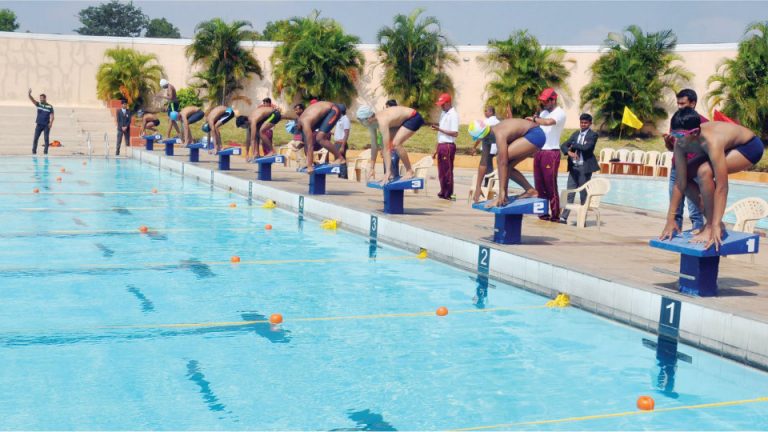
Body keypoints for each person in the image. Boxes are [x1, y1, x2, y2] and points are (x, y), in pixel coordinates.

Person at [660, 107, 764, 250]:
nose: (676, 139)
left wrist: (714, 225)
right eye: (674, 134)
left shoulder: (712, 141)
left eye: (680, 135)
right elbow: (680, 183)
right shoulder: (680, 142)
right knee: (684, 176)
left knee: (704, 171)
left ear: (694, 132)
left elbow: (722, 187)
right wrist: (670, 219)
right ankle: (712, 220)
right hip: (726, 147)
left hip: (749, 147)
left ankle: (711, 225)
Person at [662, 89, 706, 233]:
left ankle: (698, 234)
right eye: (678, 103)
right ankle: (673, 234)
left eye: (683, 103)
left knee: (695, 208)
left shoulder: (703, 123)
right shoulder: (677, 119)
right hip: (677, 167)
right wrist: (668, 142)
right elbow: (673, 148)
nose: (679, 106)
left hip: (694, 169)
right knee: (675, 206)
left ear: (693, 103)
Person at [357, 105, 426, 182]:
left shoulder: (382, 122)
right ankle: (391, 174)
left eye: (361, 120)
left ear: (369, 118)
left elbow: (387, 149)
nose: (360, 123)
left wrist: (387, 172)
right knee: (383, 145)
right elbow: (374, 146)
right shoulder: (371, 123)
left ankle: (410, 171)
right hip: (399, 121)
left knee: (396, 144)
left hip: (413, 117)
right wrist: (372, 168)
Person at [488, 117, 547, 208]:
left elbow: (502, 162)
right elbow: (486, 162)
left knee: (501, 158)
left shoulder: (499, 133)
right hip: (535, 135)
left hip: (534, 134)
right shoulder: (494, 131)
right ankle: (530, 190)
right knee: (508, 166)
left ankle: (503, 195)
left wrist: (501, 194)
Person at [528, 87, 567, 221]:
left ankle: (555, 215)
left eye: (546, 101)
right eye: (543, 101)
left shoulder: (559, 113)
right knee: (539, 185)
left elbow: (548, 122)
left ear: (553, 100)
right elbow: (538, 125)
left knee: (550, 184)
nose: (544, 103)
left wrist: (534, 119)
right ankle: (542, 213)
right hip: (539, 151)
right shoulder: (543, 112)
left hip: (551, 152)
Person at [559, 113, 599, 223]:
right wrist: (569, 152)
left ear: (590, 123)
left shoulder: (593, 135)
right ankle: (564, 217)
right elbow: (563, 145)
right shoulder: (576, 134)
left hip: (584, 168)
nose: (583, 124)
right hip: (573, 167)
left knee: (583, 194)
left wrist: (573, 145)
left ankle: (582, 219)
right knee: (569, 192)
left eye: (586, 123)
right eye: (581, 122)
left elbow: (587, 148)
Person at [297, 101, 346, 173]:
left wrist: (310, 166)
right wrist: (308, 164)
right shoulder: (303, 120)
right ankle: (339, 158)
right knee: (316, 138)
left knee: (320, 138)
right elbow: (306, 144)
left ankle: (340, 158)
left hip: (333, 110)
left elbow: (310, 146)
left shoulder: (305, 124)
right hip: (326, 112)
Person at [432, 93, 459, 200]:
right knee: (441, 171)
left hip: (448, 145)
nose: (441, 106)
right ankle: (443, 191)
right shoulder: (443, 113)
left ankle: (450, 194)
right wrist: (436, 149)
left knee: (448, 171)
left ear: (448, 103)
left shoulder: (453, 115)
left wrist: (439, 129)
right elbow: (440, 135)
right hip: (441, 145)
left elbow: (455, 133)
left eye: (443, 104)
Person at [470, 106, 501, 198]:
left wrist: (474, 147)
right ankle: (489, 183)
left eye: (486, 111)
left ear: (491, 112)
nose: (485, 113)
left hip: (489, 146)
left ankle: (489, 184)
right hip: (496, 147)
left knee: (487, 166)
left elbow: (480, 136)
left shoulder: (487, 122)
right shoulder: (498, 122)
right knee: (489, 165)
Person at [28, 88, 54, 155]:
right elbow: (32, 100)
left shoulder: (50, 106)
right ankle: (34, 152)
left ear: (45, 98)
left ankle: (45, 152)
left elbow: (52, 116)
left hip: (46, 125)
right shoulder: (38, 104)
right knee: (35, 138)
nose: (41, 99)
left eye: (42, 98)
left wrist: (51, 123)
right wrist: (29, 94)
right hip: (39, 125)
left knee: (46, 139)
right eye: (40, 98)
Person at [332, 106, 351, 178]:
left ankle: (343, 176)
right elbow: (340, 132)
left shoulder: (345, 119)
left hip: (341, 144)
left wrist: (343, 146)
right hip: (337, 143)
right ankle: (340, 175)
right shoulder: (339, 120)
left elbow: (346, 133)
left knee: (341, 159)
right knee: (338, 160)